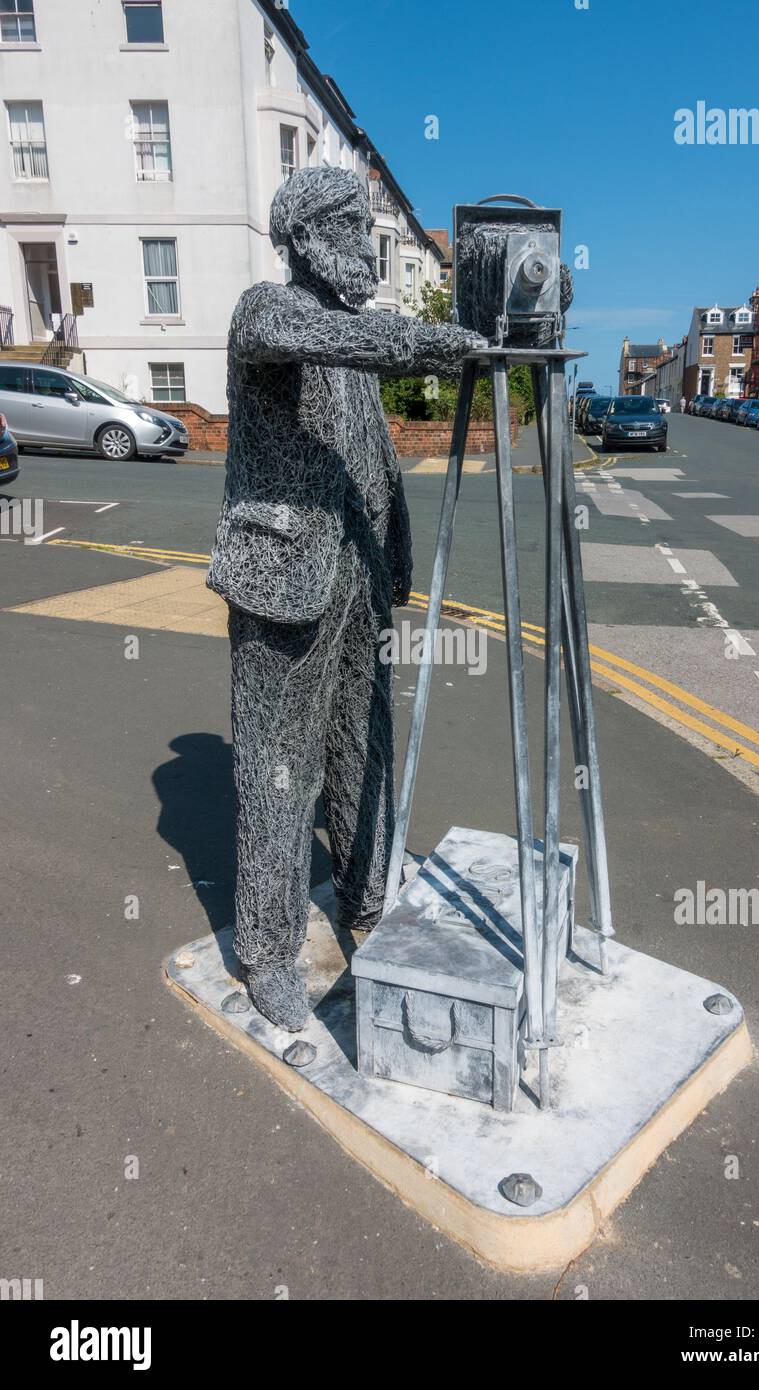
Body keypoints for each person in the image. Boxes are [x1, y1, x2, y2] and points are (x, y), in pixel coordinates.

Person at [207, 167, 483, 1030]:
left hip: (360, 577)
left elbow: (371, 454)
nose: (361, 240)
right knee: (277, 775)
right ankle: (268, 952)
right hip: (285, 583)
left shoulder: (349, 336)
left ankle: (368, 902)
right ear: (301, 239)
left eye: (364, 223)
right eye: (342, 223)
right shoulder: (269, 312)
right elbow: (318, 335)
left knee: (366, 749)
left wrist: (392, 552)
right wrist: (438, 343)